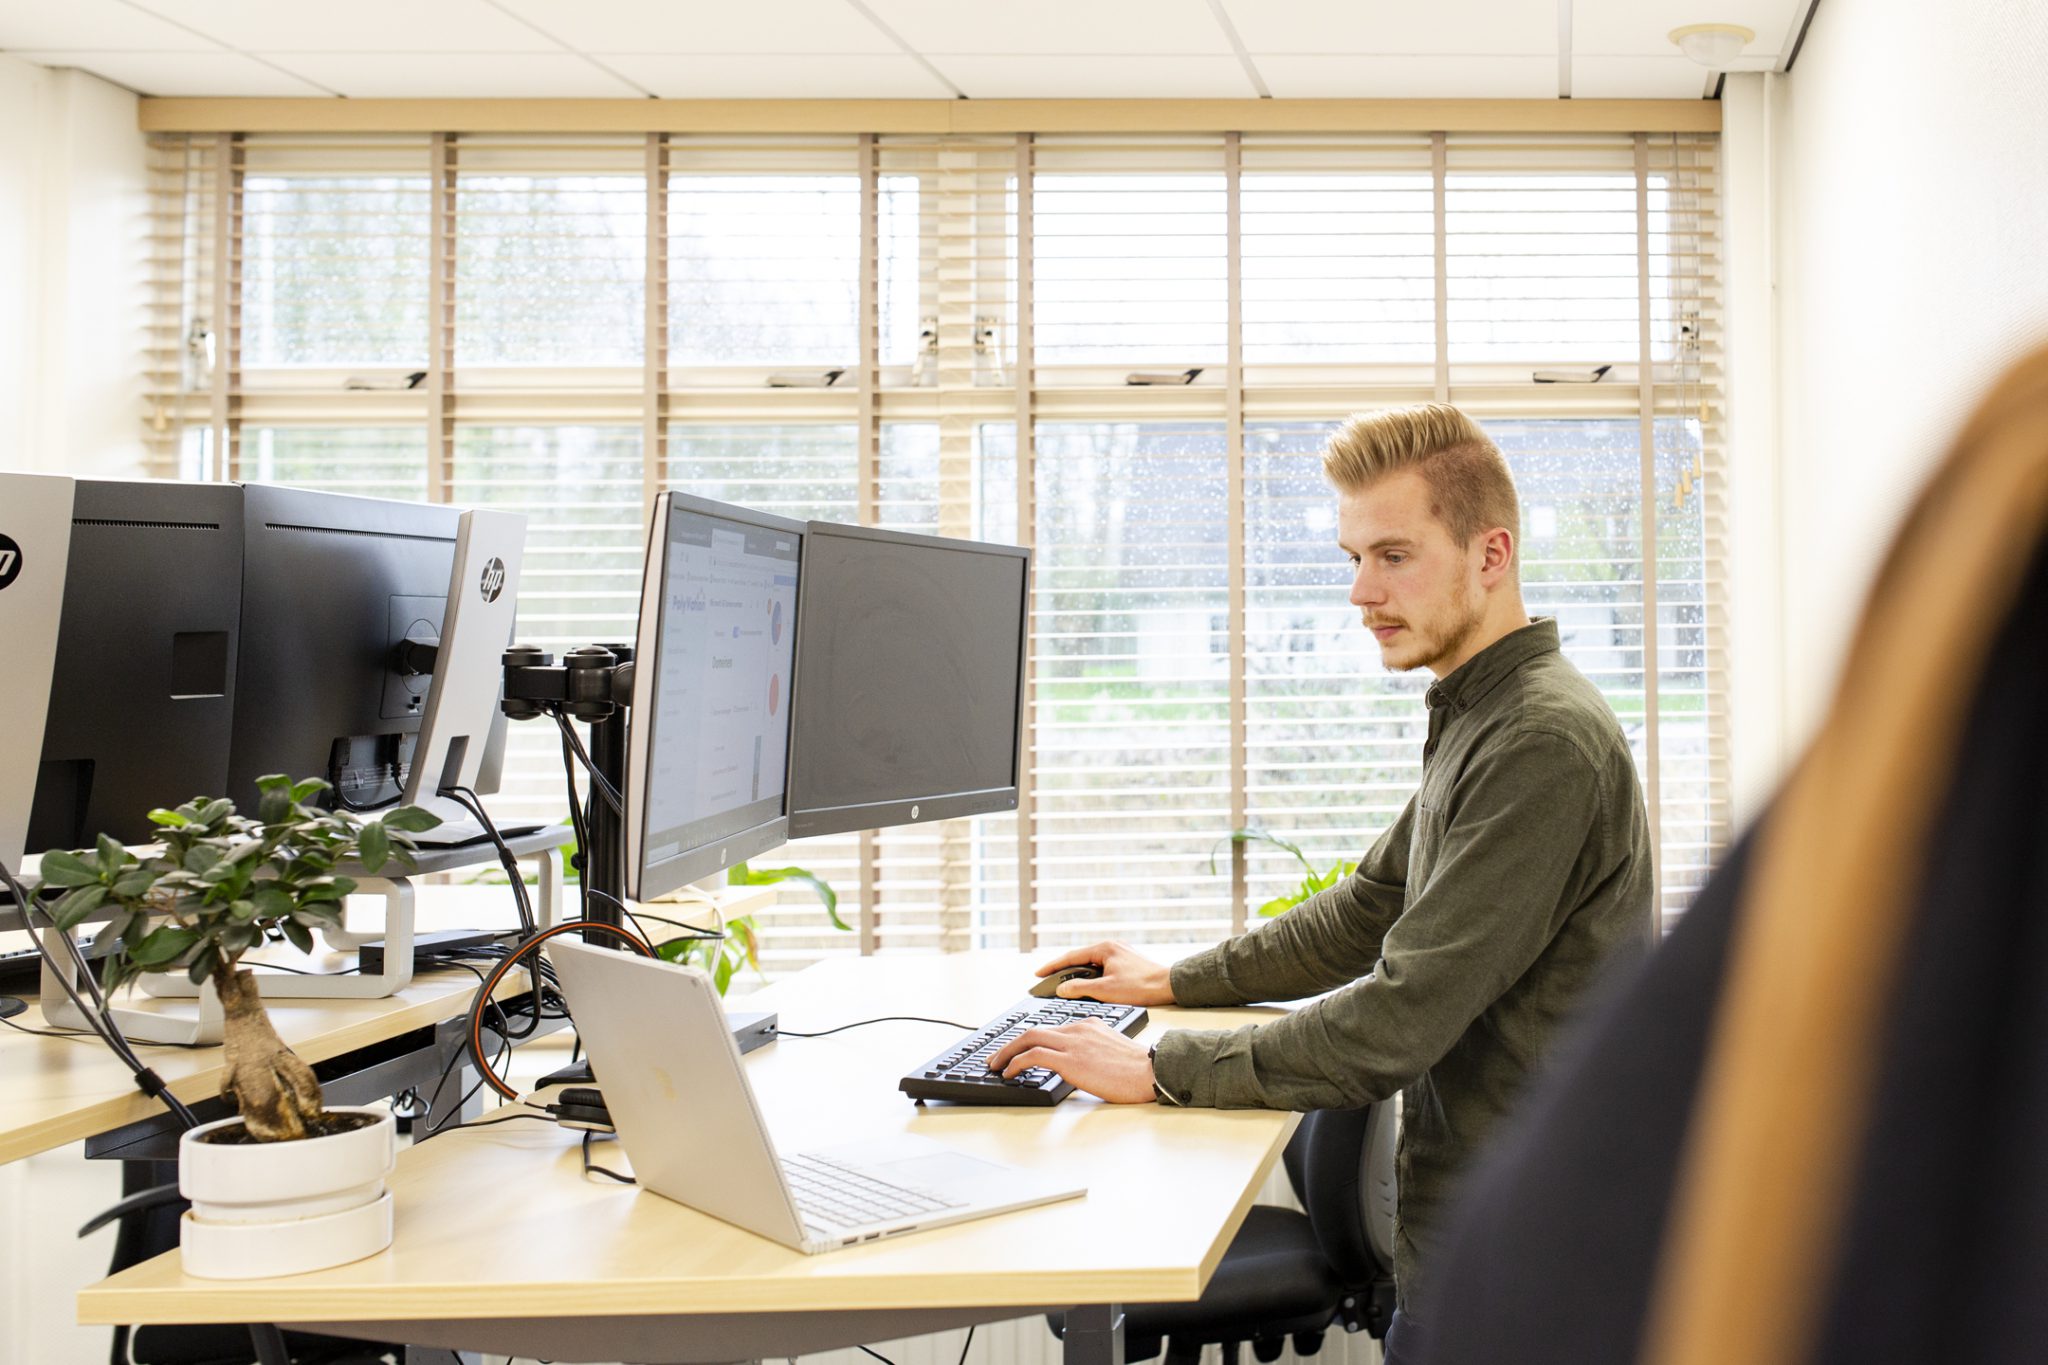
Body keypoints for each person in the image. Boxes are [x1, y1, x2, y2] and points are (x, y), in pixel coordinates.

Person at [989, 402, 1657, 1360]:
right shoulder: (1485, 711)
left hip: (1533, 1272)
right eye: (1353, 558)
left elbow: (1401, 1017)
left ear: (1491, 553)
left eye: (1392, 555)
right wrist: (1173, 981)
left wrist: (1157, 1068)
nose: (1359, 592)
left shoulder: (1540, 742)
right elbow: (1370, 905)